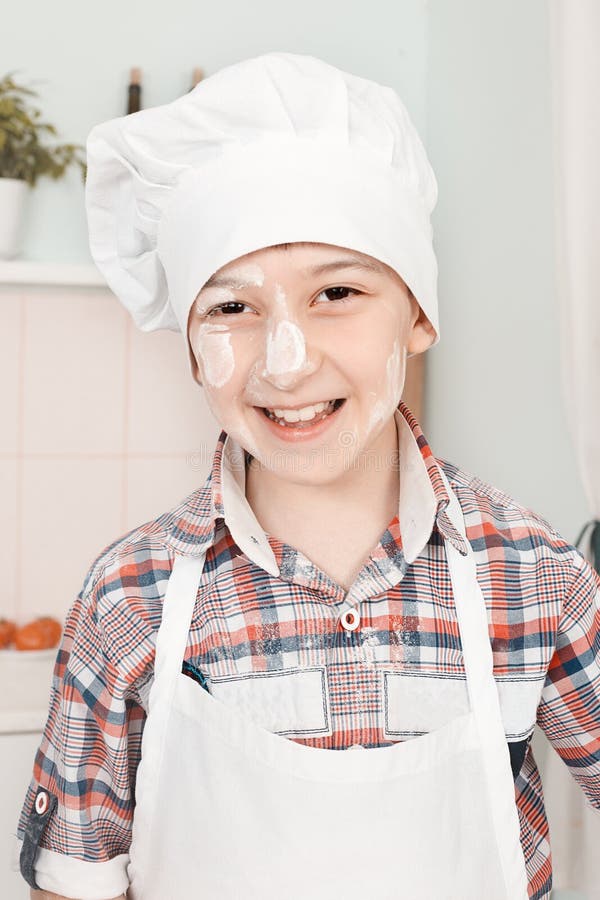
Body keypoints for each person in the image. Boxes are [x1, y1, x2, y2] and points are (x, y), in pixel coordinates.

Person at [13, 52, 600, 900]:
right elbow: (70, 885)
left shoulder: (535, 576)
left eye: (337, 293)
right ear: (188, 345)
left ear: (421, 314)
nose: (286, 364)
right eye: (231, 307)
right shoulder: (127, 602)